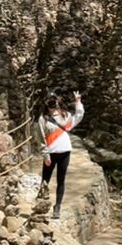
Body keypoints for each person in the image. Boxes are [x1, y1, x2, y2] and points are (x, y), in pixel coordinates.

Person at [38, 90, 84, 219]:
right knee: (45, 181)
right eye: (50, 100)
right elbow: (40, 139)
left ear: (57, 101)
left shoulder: (65, 116)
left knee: (61, 180)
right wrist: (45, 155)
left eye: (54, 99)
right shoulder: (43, 119)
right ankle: (40, 206)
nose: (53, 102)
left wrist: (78, 102)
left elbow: (78, 116)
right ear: (46, 103)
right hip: (50, 154)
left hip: (65, 152)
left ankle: (57, 207)